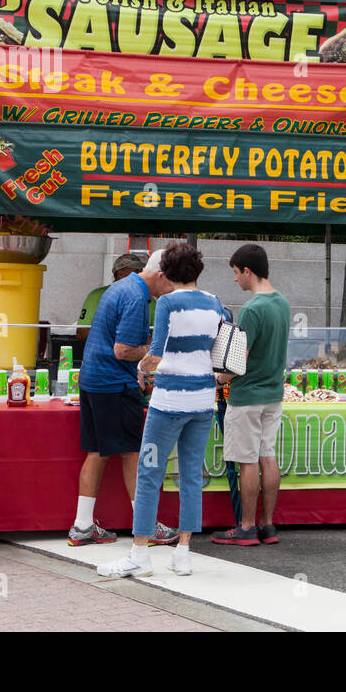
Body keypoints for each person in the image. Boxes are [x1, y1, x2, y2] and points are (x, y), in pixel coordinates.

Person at [98, 243, 229, 578]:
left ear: (168, 273)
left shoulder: (168, 303)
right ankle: (183, 552)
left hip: (168, 403)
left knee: (149, 473)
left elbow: (154, 355)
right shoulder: (215, 304)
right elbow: (222, 351)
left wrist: (143, 367)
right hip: (202, 403)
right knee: (190, 475)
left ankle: (140, 553)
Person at [68, 249, 179, 547]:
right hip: (114, 384)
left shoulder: (122, 287)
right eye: (173, 283)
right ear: (161, 276)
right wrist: (157, 351)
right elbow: (124, 350)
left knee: (97, 451)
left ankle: (81, 526)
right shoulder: (136, 298)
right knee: (132, 453)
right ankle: (144, 526)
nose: (173, 290)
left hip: (93, 380)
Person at [212, 244, 291, 546]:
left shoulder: (253, 309)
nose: (235, 279)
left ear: (248, 270)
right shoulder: (282, 302)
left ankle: (245, 527)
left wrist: (219, 378)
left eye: (235, 272)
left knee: (247, 461)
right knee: (267, 457)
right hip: (273, 393)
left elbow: (237, 360)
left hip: (247, 397)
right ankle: (267, 525)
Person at [75, 253, 154, 345]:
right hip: (102, 357)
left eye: (141, 271)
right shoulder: (96, 296)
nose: (140, 275)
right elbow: (81, 333)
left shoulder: (150, 301)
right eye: (136, 271)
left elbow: (160, 339)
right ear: (120, 274)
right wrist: (130, 338)